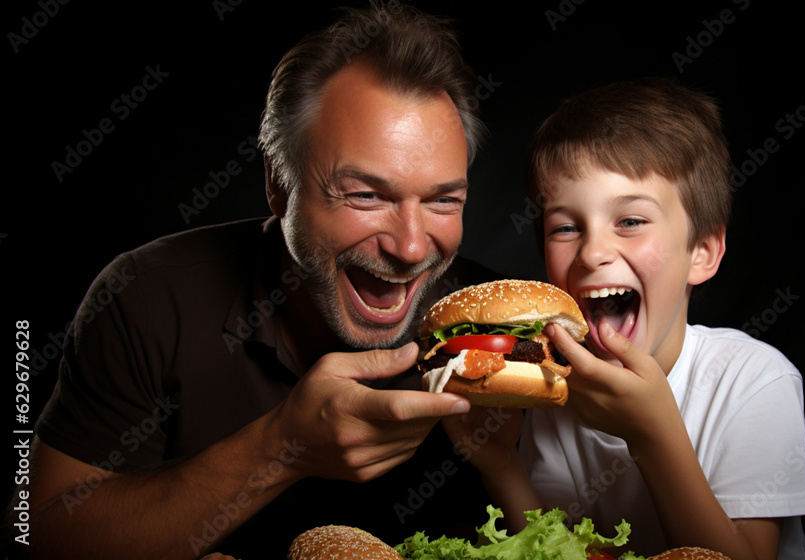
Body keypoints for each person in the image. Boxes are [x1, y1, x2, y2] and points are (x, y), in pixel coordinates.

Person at [15, 4, 497, 559]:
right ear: (278, 185)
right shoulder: (145, 295)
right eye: (365, 195)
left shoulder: (493, 325)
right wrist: (282, 447)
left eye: (443, 201)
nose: (411, 247)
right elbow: (34, 534)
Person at [444, 78, 805, 560]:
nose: (593, 251)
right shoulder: (546, 386)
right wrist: (501, 467)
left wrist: (652, 434)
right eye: (566, 227)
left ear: (702, 253)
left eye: (631, 221)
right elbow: (560, 551)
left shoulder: (755, 380)